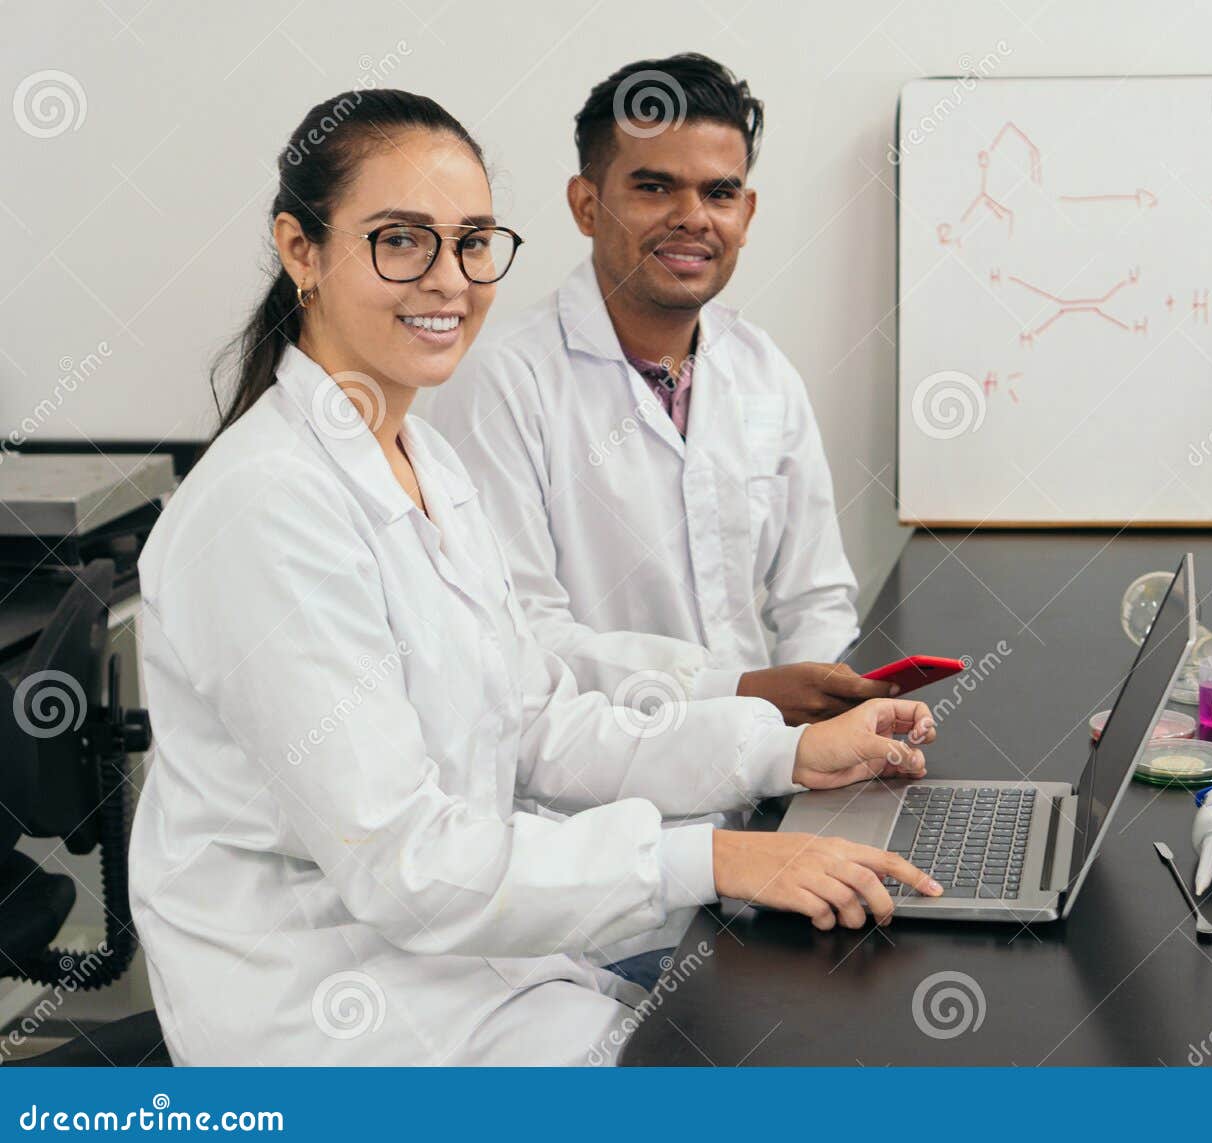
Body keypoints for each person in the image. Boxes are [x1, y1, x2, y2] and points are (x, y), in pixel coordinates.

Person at [127, 89, 941, 1067]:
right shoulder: (264, 509)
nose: (449, 280)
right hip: (340, 1023)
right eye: (399, 240)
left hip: (481, 970)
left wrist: (785, 755)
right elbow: (406, 864)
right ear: (301, 248)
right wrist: (717, 854)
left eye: (471, 242)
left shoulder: (423, 461)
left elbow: (542, 718)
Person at [430, 54, 886, 729]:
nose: (692, 218)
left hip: (768, 770)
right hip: (590, 808)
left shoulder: (763, 372)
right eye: (654, 187)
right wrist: (739, 693)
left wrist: (825, 716)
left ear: (747, 212)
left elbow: (816, 597)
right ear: (587, 205)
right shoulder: (503, 380)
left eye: (720, 193)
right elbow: (524, 633)